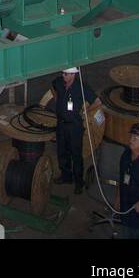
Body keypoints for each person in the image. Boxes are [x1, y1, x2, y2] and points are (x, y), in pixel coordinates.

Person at [40, 66, 100, 194]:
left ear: (73, 75)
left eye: (66, 74)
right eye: (62, 73)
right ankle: (66, 176)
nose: (63, 76)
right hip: (61, 124)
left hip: (74, 126)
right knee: (62, 151)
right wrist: (56, 96)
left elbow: (97, 101)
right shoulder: (60, 82)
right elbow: (52, 85)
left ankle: (79, 182)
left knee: (76, 155)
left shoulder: (81, 87)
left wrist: (86, 110)